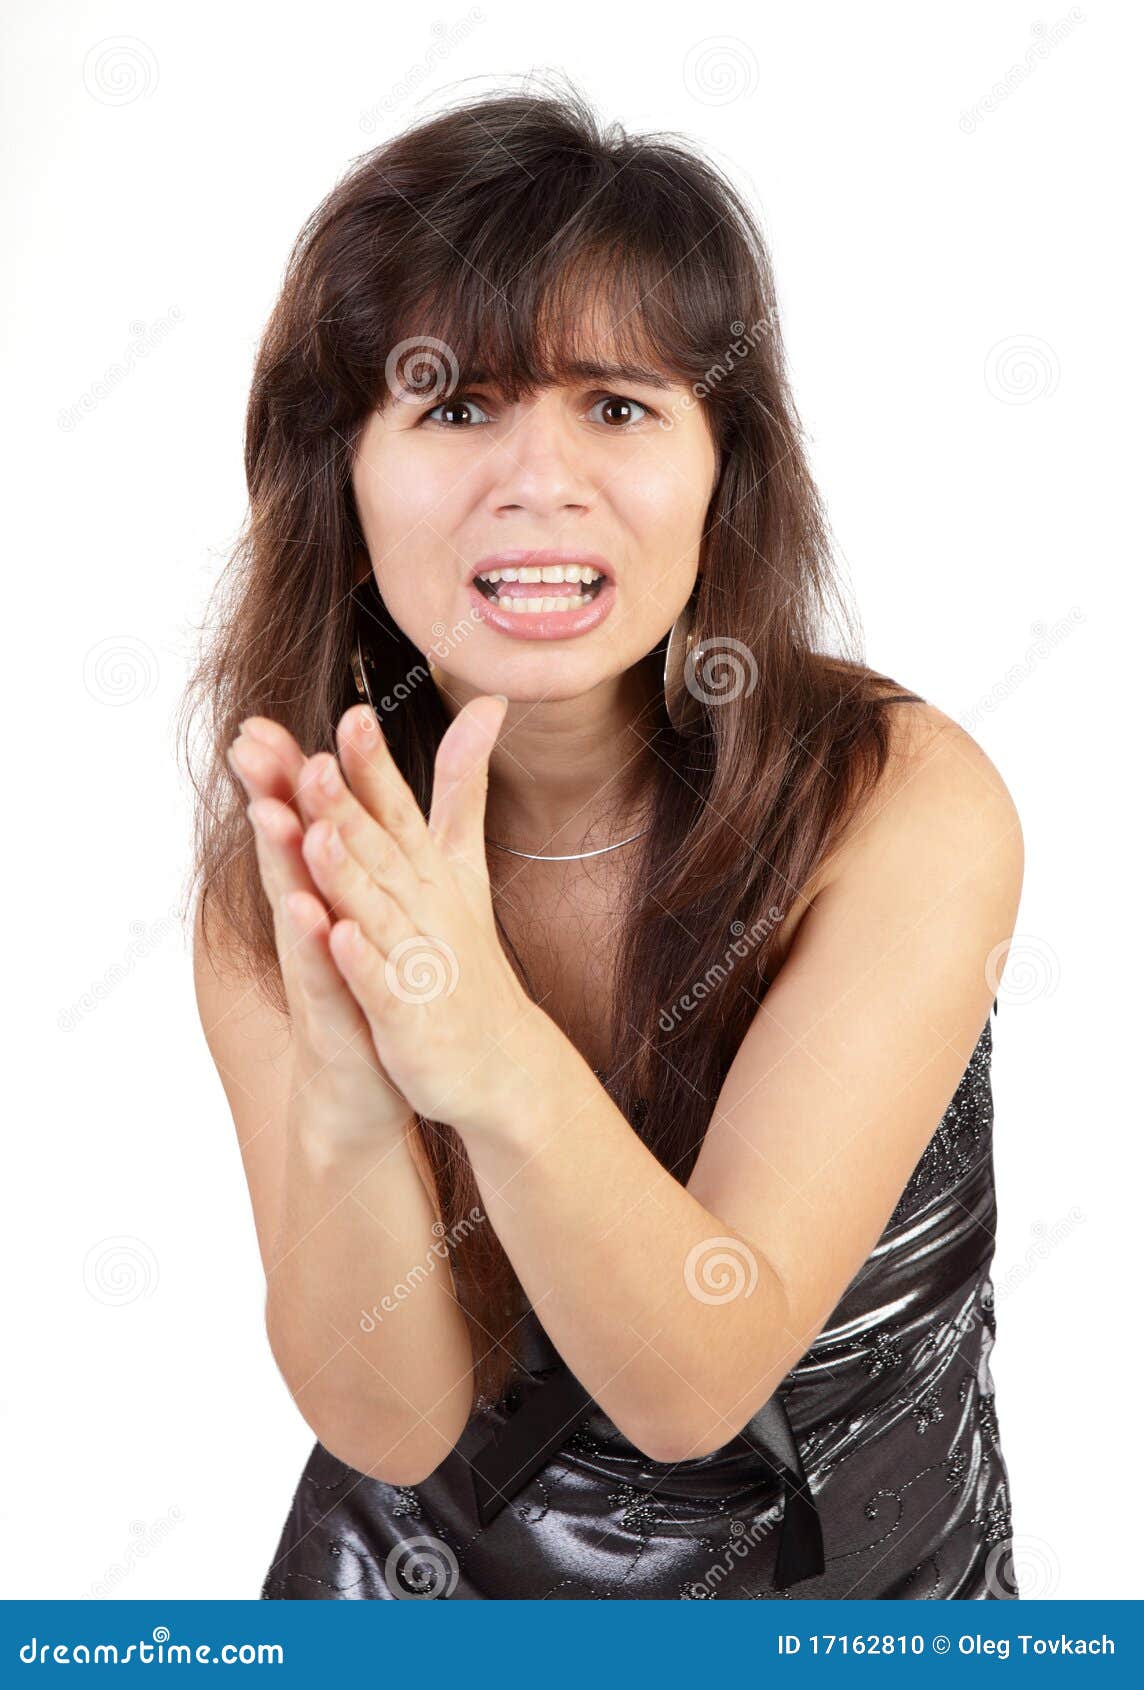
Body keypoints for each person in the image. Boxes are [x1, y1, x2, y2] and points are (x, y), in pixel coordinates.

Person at [183, 80, 1024, 1600]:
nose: (540, 483)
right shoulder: (306, 845)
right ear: (341, 474)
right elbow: (389, 1418)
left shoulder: (896, 801)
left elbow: (693, 1379)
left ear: (725, 467)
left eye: (618, 405)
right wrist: (361, 1106)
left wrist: (484, 1047)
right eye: (454, 404)